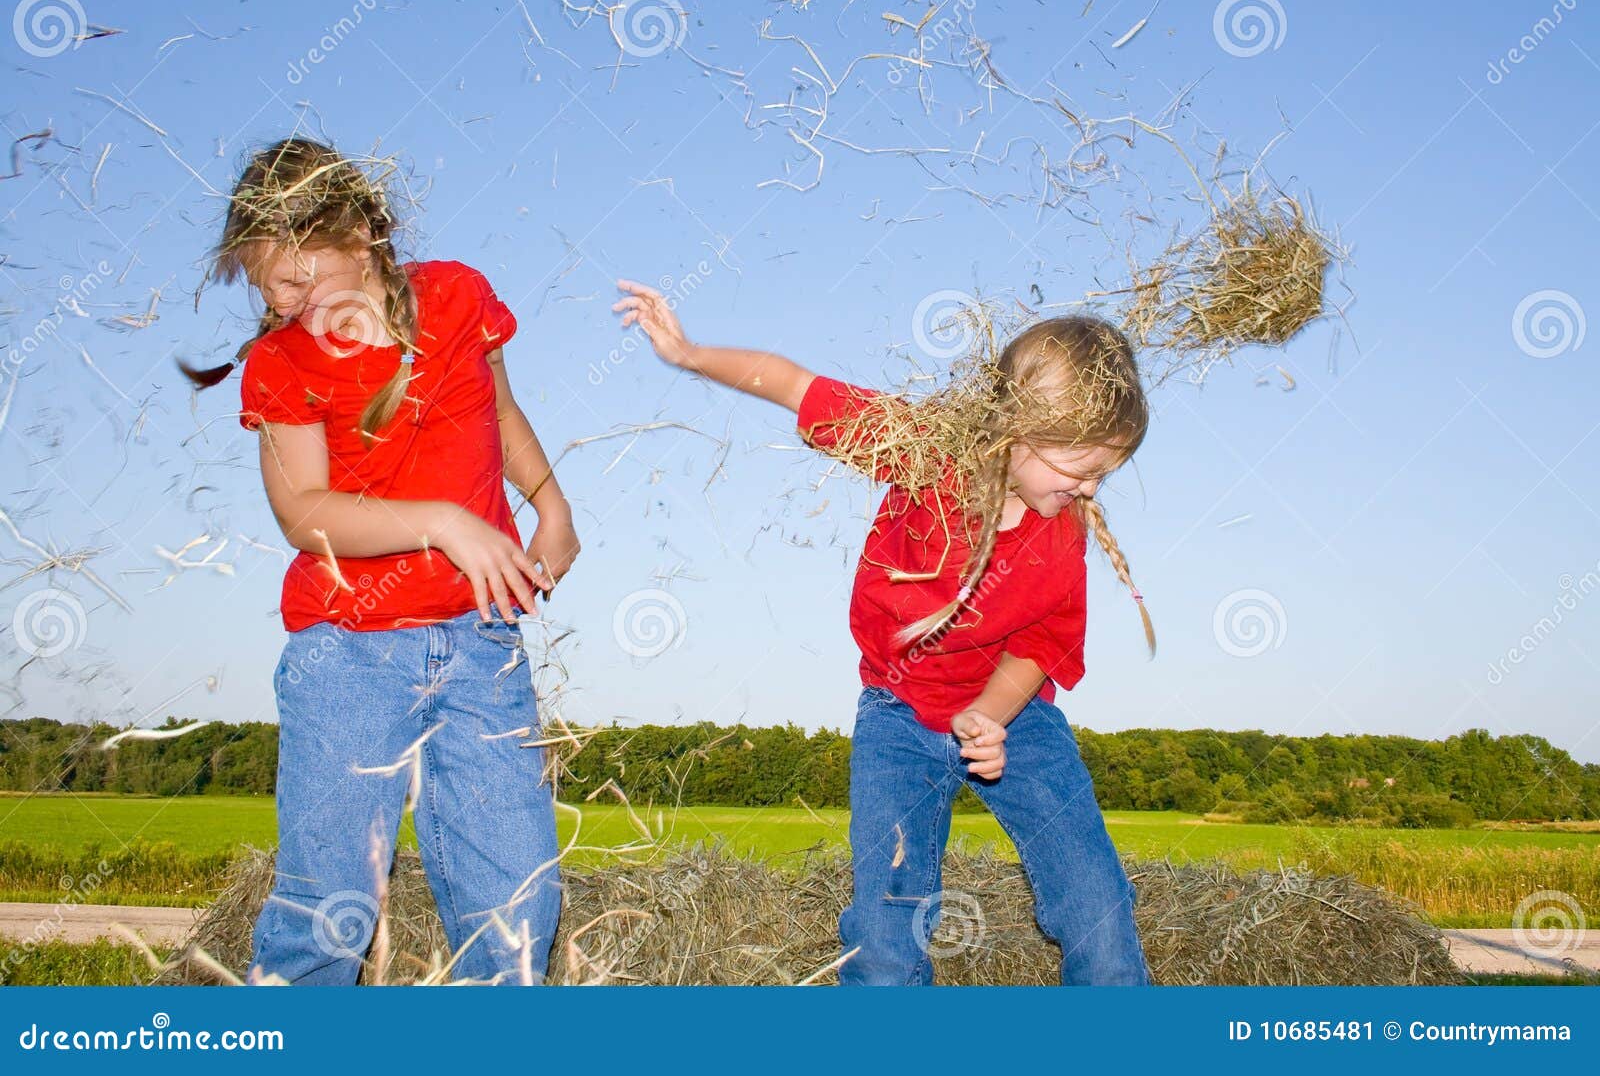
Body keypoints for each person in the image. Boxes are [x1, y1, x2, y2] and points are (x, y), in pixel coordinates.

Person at [610, 277, 1154, 985]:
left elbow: (1041, 642)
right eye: (1082, 469)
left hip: (1017, 719)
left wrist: (990, 715)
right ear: (1017, 426)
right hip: (899, 717)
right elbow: (794, 384)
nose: (1088, 491)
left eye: (1104, 477)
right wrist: (687, 352)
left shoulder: (1063, 530)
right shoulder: (923, 452)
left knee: (1099, 911)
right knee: (886, 935)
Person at [180, 138, 579, 984]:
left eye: (294, 276)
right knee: (330, 912)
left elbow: (500, 413)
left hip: (483, 643)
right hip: (347, 653)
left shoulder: (460, 297)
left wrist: (553, 504)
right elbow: (305, 513)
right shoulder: (282, 362)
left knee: (517, 913)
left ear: (360, 233)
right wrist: (442, 522)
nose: (282, 303)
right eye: (267, 288)